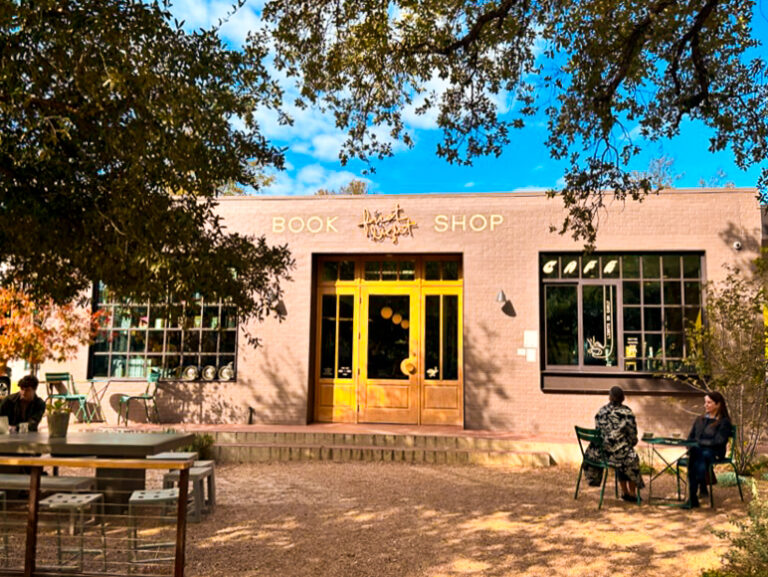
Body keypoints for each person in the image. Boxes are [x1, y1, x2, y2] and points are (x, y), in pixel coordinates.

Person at [584, 386, 645, 502]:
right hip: (618, 454)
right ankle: (632, 493)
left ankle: (625, 491)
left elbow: (598, 430)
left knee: (622, 456)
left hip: (601, 455)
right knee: (631, 457)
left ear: (610, 397)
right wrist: (630, 444)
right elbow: (633, 435)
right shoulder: (627, 412)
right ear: (623, 398)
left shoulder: (601, 411)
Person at [684, 391, 732, 509]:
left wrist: (699, 443)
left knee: (696, 456)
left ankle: (694, 495)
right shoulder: (699, 419)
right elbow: (690, 437)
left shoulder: (724, 422)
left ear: (718, 404)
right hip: (698, 452)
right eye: (705, 402)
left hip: (714, 452)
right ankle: (696, 493)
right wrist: (691, 445)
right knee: (696, 454)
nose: (705, 405)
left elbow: (719, 441)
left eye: (709, 402)